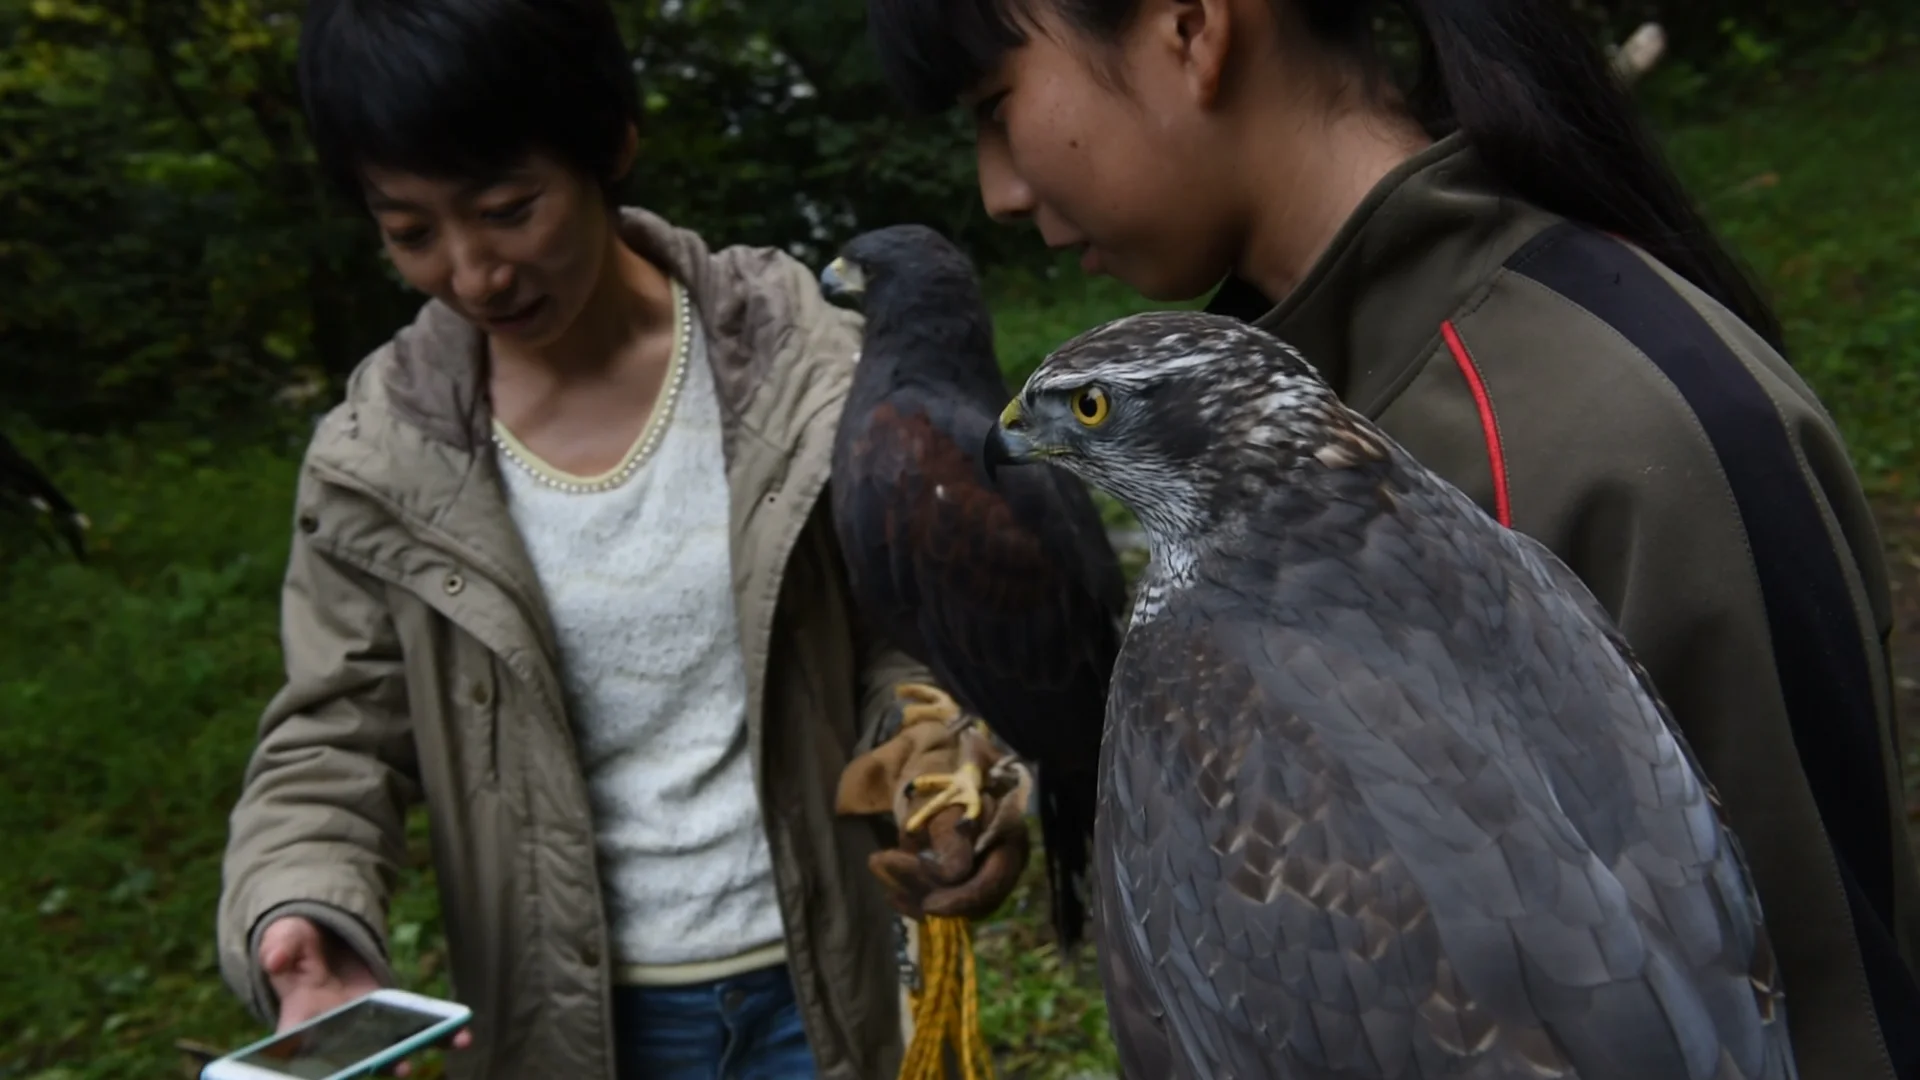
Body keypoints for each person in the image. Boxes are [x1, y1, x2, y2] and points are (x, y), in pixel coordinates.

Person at [864, 0, 1920, 1077]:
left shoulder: (1633, 430)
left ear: (1191, 24)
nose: (996, 190)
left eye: (998, 107)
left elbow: (1832, 1011)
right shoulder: (1285, 388)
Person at [214, 1, 1026, 1077]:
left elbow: (900, 635)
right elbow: (334, 740)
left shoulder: (809, 373)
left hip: (820, 995)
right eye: (410, 231)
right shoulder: (382, 459)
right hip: (567, 1030)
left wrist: (946, 767)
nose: (473, 272)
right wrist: (301, 907)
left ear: (610, 148)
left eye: (508, 208)